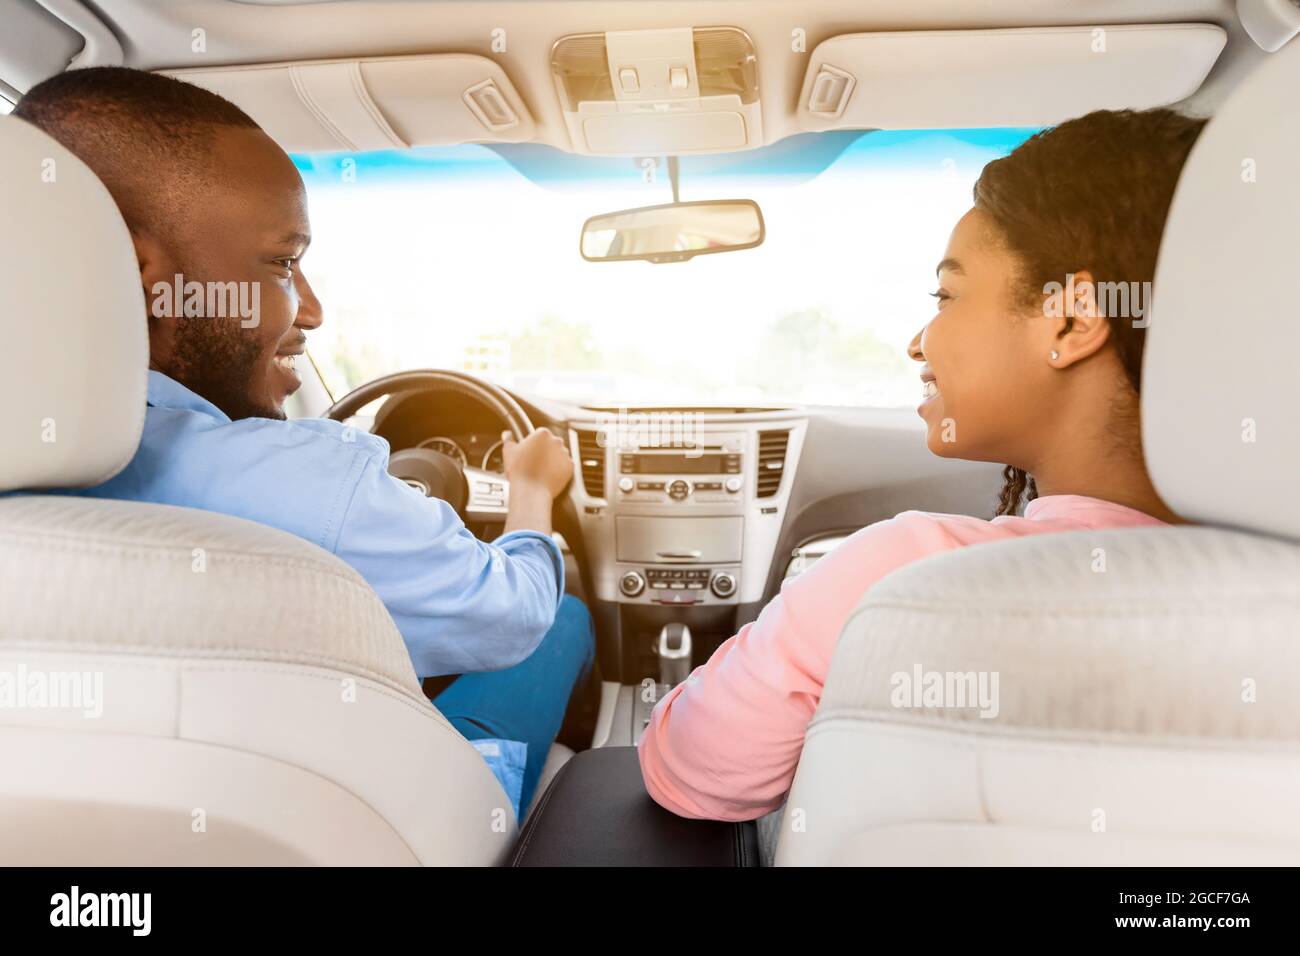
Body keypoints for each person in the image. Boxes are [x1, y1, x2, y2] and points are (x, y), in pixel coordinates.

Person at [14, 66, 592, 814]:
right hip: (384, 821)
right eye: (284, 262)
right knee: (561, 617)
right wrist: (531, 493)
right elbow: (510, 615)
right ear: (137, 271)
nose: (312, 310)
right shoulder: (319, 488)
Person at [637, 108, 1206, 822]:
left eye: (946, 295)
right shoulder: (1268, 590)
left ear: (1071, 320)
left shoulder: (901, 575)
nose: (917, 341)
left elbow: (691, 774)